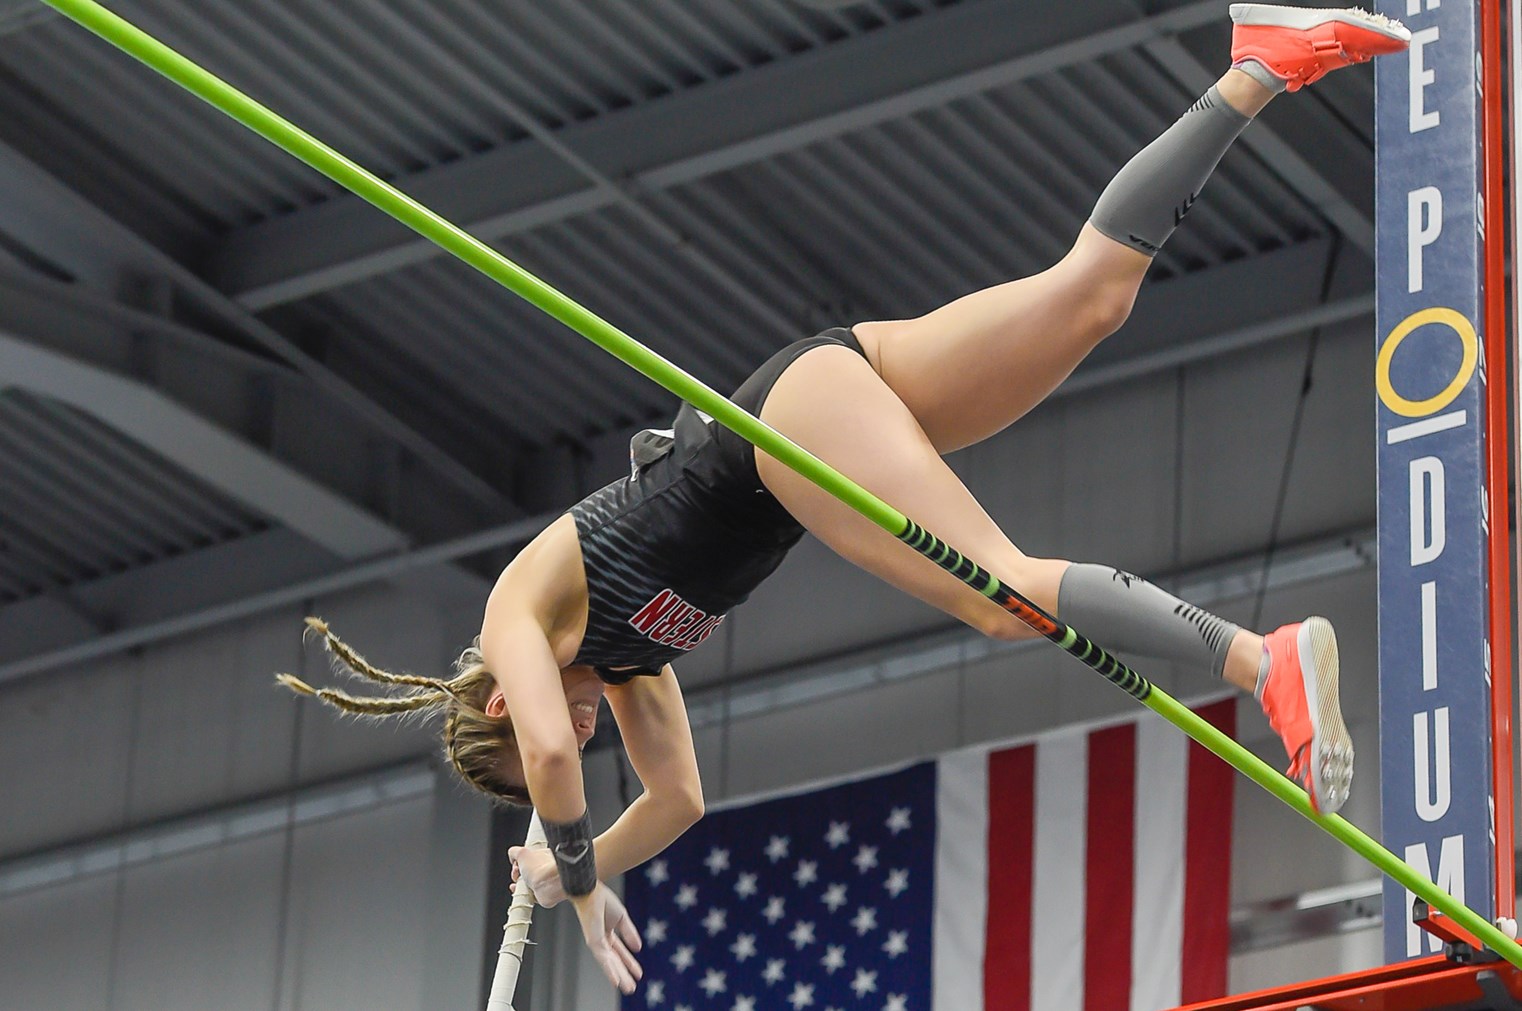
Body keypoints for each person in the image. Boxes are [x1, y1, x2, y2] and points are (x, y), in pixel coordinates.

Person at [277, 4, 1410, 995]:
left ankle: (1259, 662)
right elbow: (678, 804)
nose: (574, 727)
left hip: (782, 432)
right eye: (569, 724)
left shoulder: (514, 617)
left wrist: (567, 870)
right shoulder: (628, 672)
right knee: (1090, 298)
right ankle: (1261, 62)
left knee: (997, 592)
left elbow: (558, 768)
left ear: (493, 710)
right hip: (818, 395)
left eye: (547, 727)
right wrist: (587, 869)